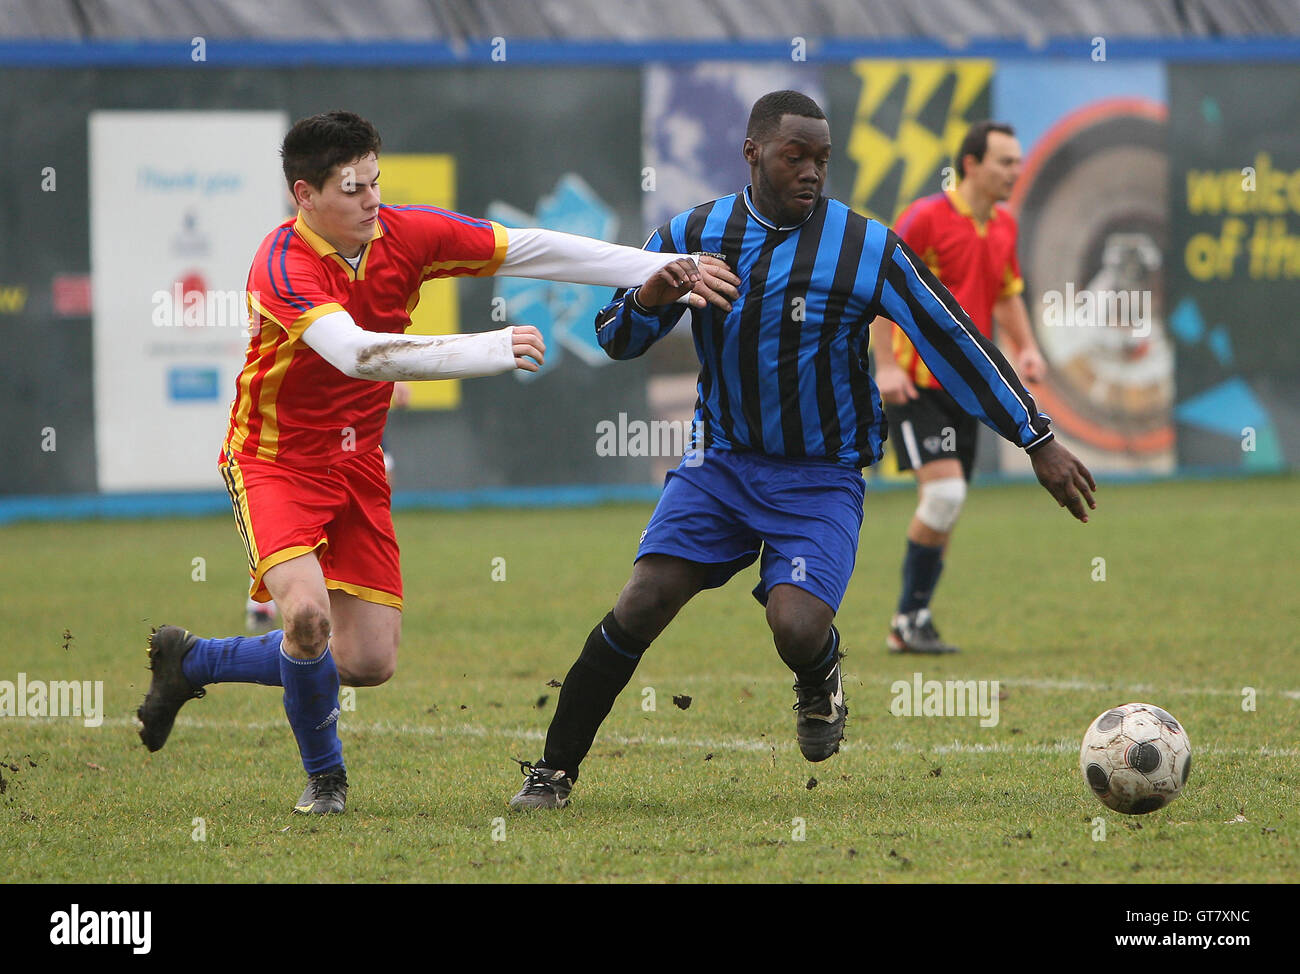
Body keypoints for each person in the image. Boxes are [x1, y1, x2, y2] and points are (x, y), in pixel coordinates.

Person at [136, 110, 739, 815]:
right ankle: (325, 782)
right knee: (303, 619)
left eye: (375, 182)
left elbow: (532, 249)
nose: (371, 200)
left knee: (367, 663)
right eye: (353, 187)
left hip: (358, 464)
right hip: (274, 461)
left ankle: (194, 661)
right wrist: (487, 348)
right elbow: (357, 353)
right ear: (305, 196)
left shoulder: (404, 232)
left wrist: (662, 267)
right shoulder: (282, 265)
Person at [509, 91, 1094, 810]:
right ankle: (553, 772)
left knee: (796, 623)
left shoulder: (865, 247)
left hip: (820, 475)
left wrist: (1036, 437)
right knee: (640, 602)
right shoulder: (693, 233)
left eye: (822, 157)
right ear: (752, 153)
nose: (813, 171)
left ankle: (819, 677)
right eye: (795, 156)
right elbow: (614, 338)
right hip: (719, 464)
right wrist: (653, 297)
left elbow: (953, 339)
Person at [869, 121, 1045, 654]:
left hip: (968, 388)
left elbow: (1009, 293)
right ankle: (906, 619)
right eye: (1004, 162)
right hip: (918, 383)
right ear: (970, 164)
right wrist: (886, 367)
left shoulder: (1005, 226)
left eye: (1017, 161)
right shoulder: (926, 217)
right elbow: (880, 287)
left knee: (948, 501)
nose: (1014, 171)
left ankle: (914, 619)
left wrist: (1027, 347)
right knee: (944, 494)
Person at [243, 381, 410, 633]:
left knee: (382, 481)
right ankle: (263, 599)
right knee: (294, 518)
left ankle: (337, 598)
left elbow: (366, 343)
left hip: (356, 408)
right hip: (307, 415)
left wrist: (393, 377)